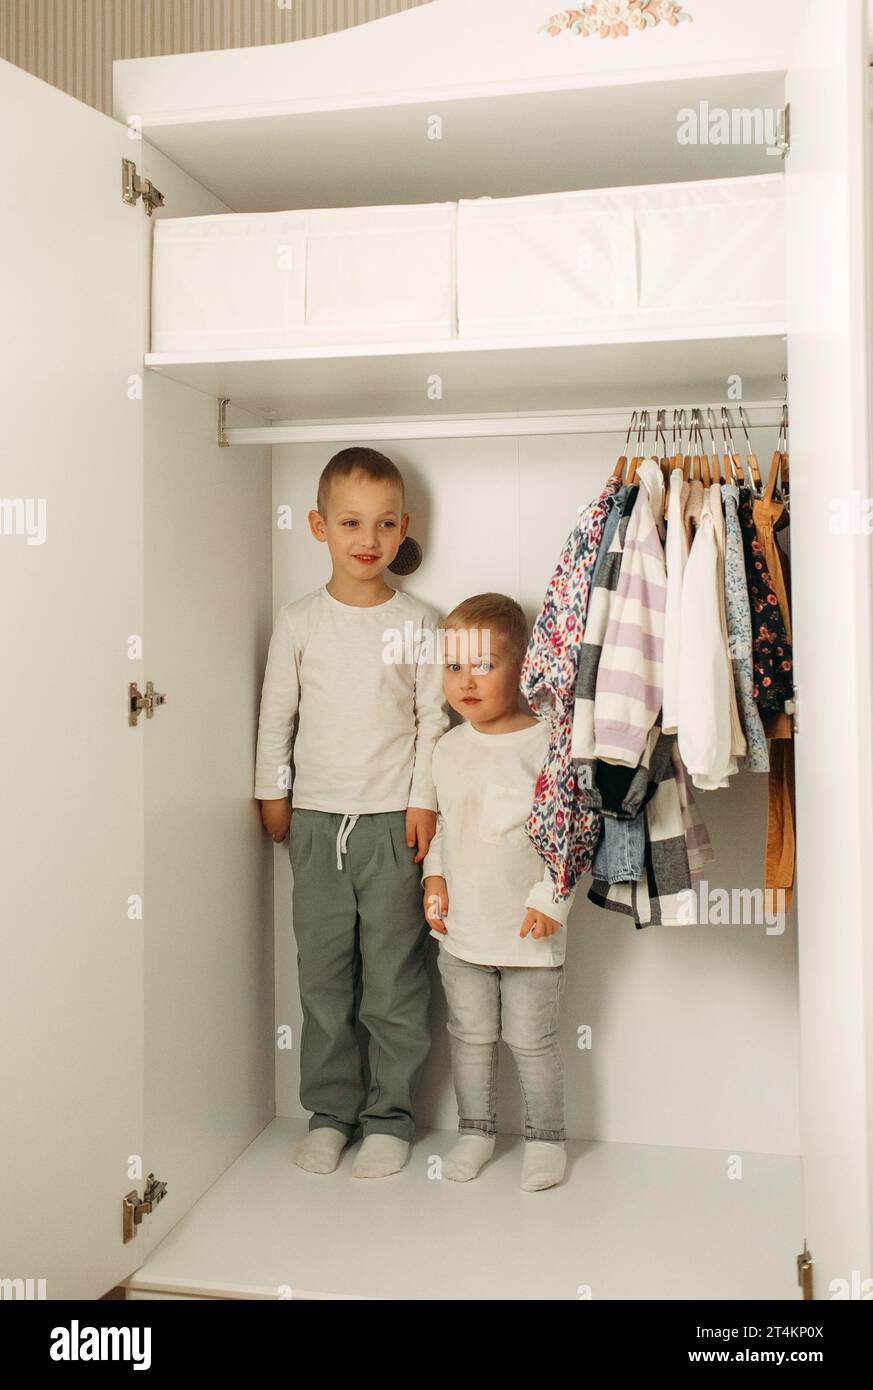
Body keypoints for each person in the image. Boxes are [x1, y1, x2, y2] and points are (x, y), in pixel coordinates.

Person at [254, 447, 449, 1178]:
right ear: (318, 526)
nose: (367, 539)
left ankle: (389, 1117)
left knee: (395, 978)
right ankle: (330, 1112)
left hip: (392, 827)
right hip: (313, 823)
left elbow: (434, 721)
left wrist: (422, 802)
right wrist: (272, 790)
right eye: (350, 523)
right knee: (324, 979)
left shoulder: (420, 620)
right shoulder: (299, 620)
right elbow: (279, 713)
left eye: (384, 524)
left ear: (403, 531)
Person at [422, 593, 576, 1192]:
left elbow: (566, 837)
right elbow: (438, 824)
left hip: (527, 930)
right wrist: (433, 876)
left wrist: (550, 901)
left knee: (531, 1041)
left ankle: (546, 1139)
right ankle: (476, 1131)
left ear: (523, 667)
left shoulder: (546, 745)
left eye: (483, 665)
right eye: (453, 666)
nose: (465, 681)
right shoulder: (447, 749)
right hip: (463, 932)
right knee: (471, 1037)